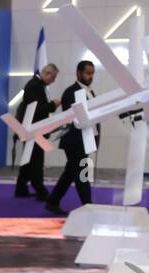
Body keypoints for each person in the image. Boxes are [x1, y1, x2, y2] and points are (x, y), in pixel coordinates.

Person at [45, 61, 99, 214]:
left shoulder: (89, 91)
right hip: (74, 141)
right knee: (82, 173)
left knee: (70, 172)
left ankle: (52, 201)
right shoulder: (71, 92)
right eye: (88, 73)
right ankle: (88, 206)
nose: (90, 76)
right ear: (78, 73)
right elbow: (72, 119)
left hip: (85, 140)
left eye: (92, 73)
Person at [14, 63, 59, 200]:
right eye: (54, 77)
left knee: (28, 161)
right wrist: (53, 105)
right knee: (36, 162)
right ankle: (41, 192)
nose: (54, 80)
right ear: (47, 74)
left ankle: (21, 188)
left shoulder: (35, 85)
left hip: (32, 129)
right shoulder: (35, 85)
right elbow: (37, 109)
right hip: (34, 130)